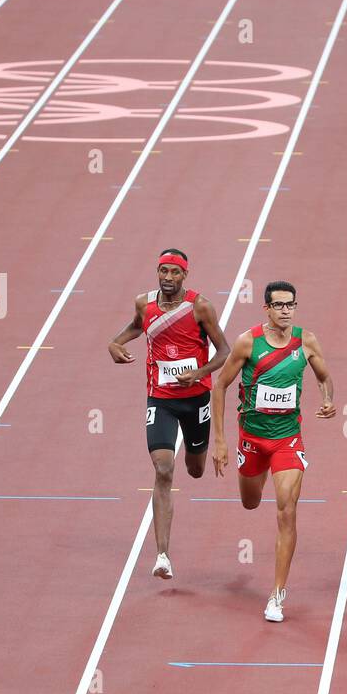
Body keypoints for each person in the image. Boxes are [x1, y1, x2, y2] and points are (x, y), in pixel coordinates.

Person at [211, 282, 335, 622]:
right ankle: (257, 472)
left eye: (290, 305)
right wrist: (220, 440)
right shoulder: (248, 342)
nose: (285, 310)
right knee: (250, 501)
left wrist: (327, 398)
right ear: (266, 308)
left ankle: (277, 594)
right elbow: (220, 385)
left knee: (286, 510)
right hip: (252, 438)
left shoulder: (305, 341)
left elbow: (324, 377)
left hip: (287, 440)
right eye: (278, 305)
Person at [108, 248, 230, 580]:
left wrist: (198, 372)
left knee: (194, 469)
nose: (168, 278)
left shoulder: (199, 306)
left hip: (196, 400)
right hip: (160, 399)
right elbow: (135, 328)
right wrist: (115, 344)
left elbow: (225, 351)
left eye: (174, 272)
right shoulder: (143, 304)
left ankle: (196, 453)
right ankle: (162, 554)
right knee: (163, 469)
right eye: (163, 271)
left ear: (184, 275)